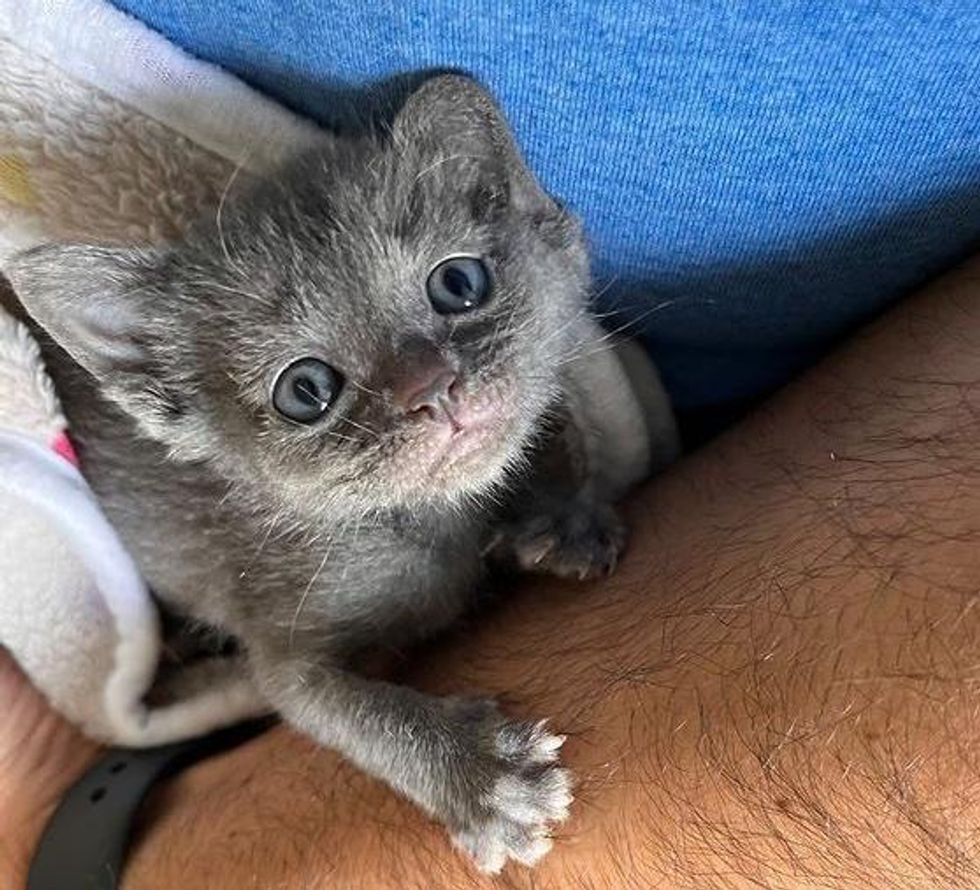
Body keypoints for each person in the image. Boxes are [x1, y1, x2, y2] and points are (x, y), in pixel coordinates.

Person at [4, 2, 980, 887]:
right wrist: (444, 758)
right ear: (178, 402)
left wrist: (537, 503)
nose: (427, 385)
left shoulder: (513, 365)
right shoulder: (323, 550)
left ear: (534, 224)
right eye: (309, 390)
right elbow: (301, 672)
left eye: (457, 288)